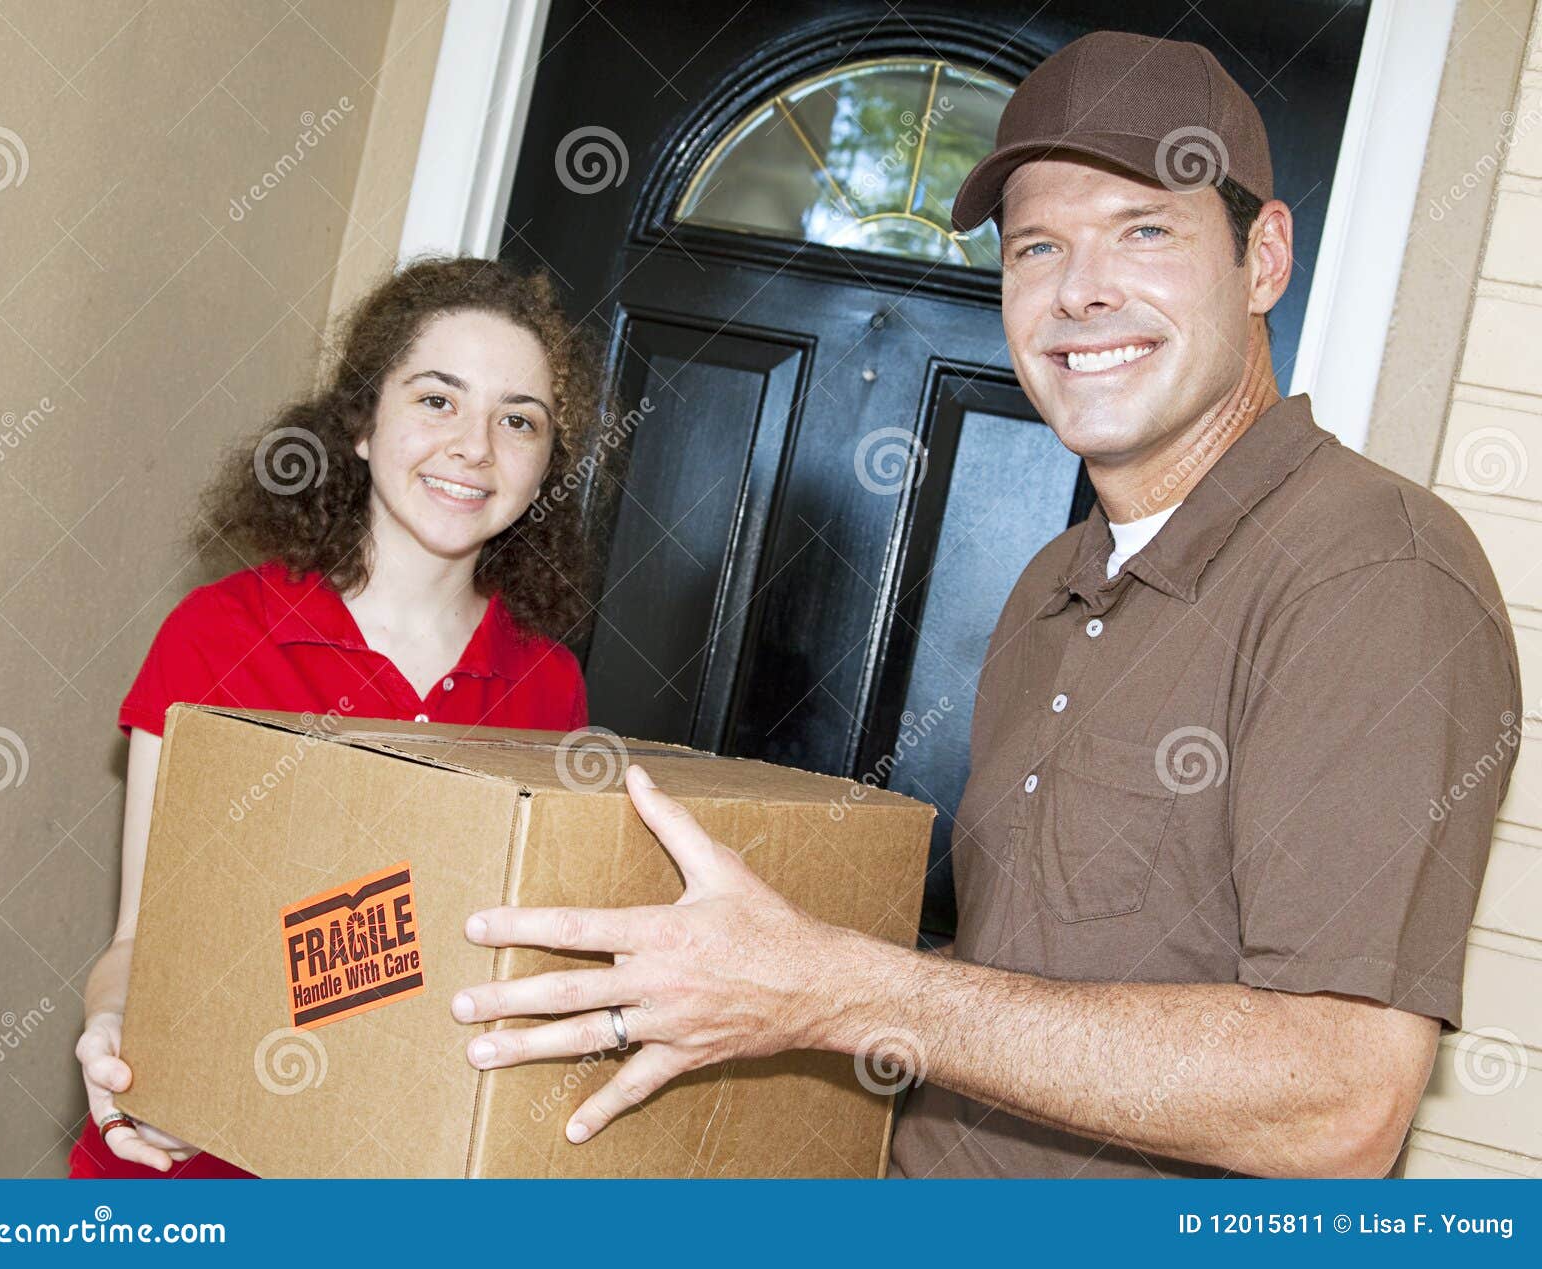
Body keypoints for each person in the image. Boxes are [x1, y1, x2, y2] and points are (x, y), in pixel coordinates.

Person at [446, 32, 1523, 1178]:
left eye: (1143, 231)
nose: (1080, 290)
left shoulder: (1372, 574)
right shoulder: (1054, 584)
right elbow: (1020, 981)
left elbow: (1339, 1102)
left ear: (1262, 260)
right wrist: (761, 974)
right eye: (1037, 247)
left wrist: (835, 989)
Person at [70, 255, 601, 1177]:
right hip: (195, 1160)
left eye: (519, 419)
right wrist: (117, 1030)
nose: (475, 445)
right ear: (361, 423)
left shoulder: (552, 687)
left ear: (545, 463)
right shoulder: (218, 635)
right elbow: (139, 940)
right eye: (438, 399)